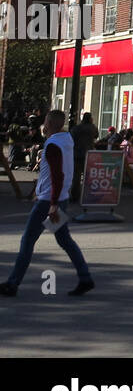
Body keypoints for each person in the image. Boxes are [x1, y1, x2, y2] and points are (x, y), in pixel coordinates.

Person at [0, 110, 94, 298]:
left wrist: (51, 204)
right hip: (59, 198)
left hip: (49, 201)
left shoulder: (53, 145)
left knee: (28, 240)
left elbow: (57, 175)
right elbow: (55, 175)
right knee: (64, 239)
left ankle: (13, 283)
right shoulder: (66, 141)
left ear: (50, 124)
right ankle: (85, 277)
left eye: (45, 121)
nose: (43, 125)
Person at [70, 112, 98, 203]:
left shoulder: (77, 128)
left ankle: (75, 195)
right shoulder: (92, 128)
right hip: (88, 154)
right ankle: (89, 194)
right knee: (89, 176)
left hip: (77, 153)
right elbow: (96, 135)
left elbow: (71, 137)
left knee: (76, 177)